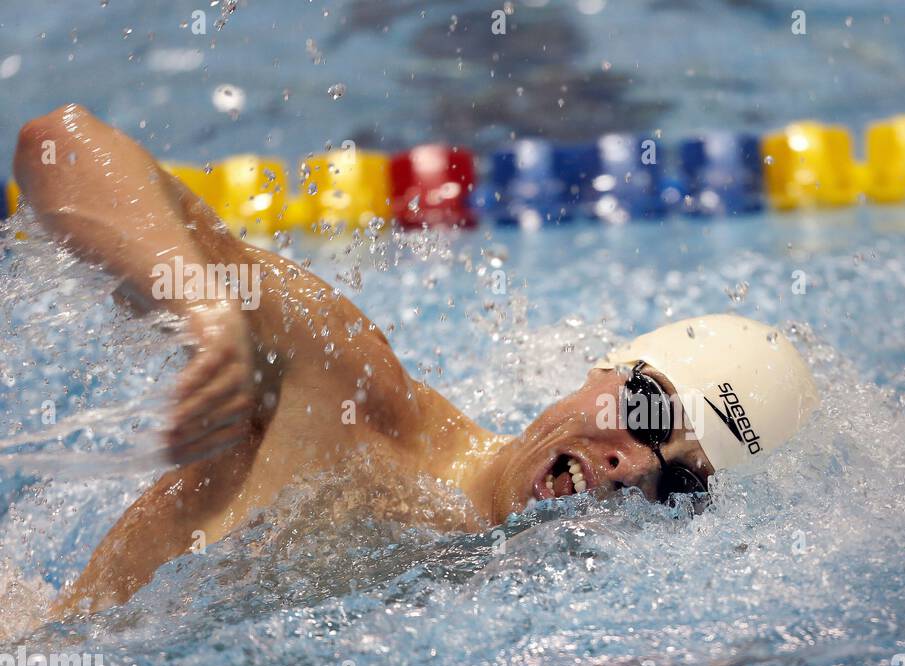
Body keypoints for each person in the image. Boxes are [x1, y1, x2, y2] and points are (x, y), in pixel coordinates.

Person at [11, 105, 820, 615]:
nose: (625, 464)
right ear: (604, 368)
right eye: (648, 411)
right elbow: (56, 145)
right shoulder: (362, 404)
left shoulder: (513, 600)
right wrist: (202, 303)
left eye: (676, 481)